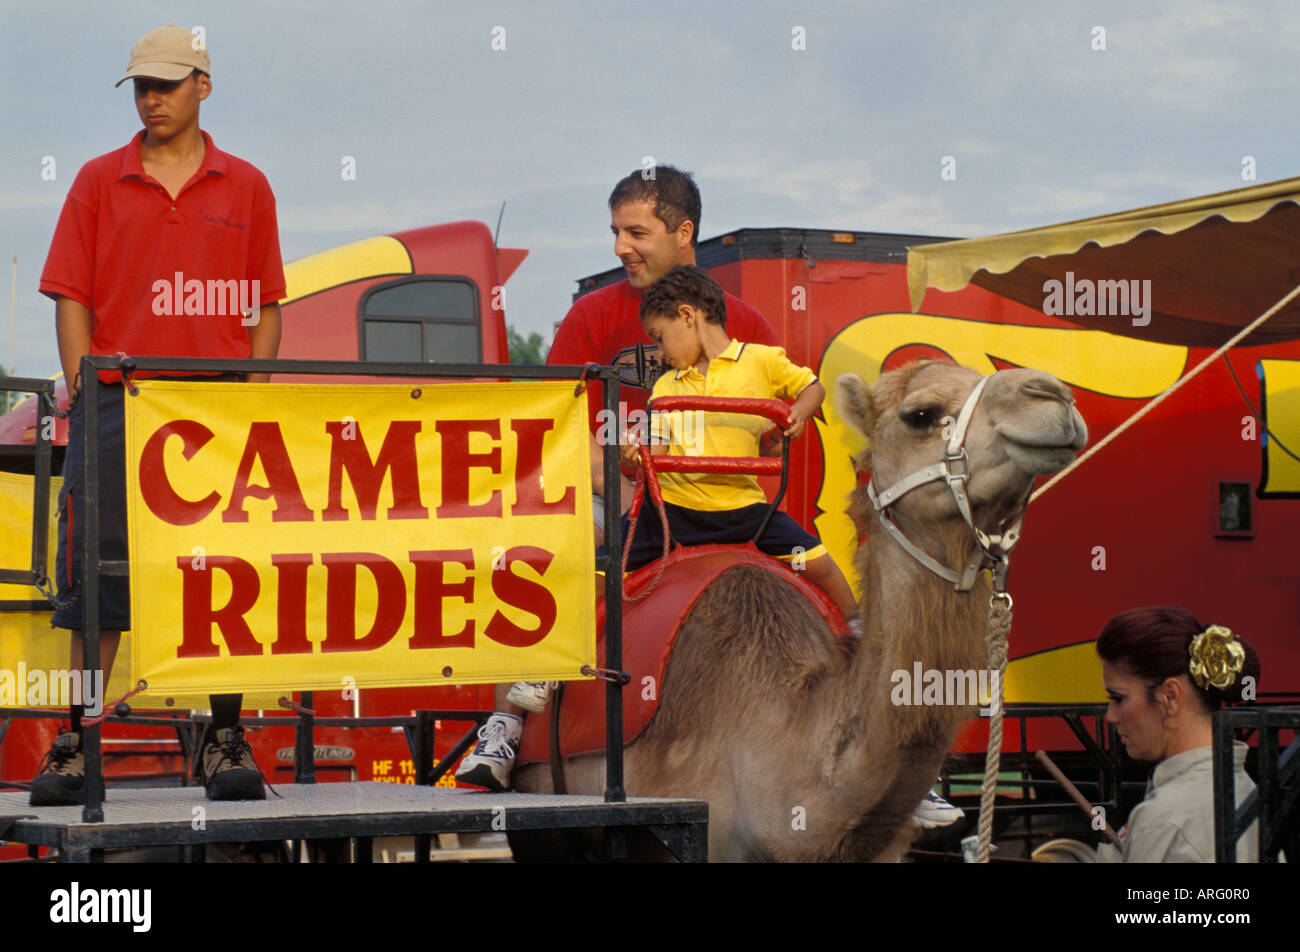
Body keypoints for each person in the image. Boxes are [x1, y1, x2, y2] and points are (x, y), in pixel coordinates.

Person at [456, 164, 779, 791]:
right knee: (553, 545)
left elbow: (761, 437)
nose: (619, 248)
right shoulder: (592, 317)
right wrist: (623, 483)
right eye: (614, 232)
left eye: (636, 232)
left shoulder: (747, 326)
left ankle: (872, 737)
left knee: (807, 576)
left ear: (684, 234)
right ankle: (508, 720)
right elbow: (556, 430)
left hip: (717, 504)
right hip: (617, 497)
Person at [30, 25, 285, 806]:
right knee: (92, 583)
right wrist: (85, 387)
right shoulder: (96, 181)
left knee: (223, 579)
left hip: (213, 412)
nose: (152, 99)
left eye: (167, 84)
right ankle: (80, 740)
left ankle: (224, 737)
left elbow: (267, 306)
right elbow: (71, 294)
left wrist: (247, 393)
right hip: (116, 404)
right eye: (142, 85)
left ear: (203, 87)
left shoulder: (247, 185)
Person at [1093, 605, 1266, 862]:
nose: (1110, 716)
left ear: (1171, 696)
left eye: (1119, 698)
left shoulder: (1166, 821)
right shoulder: (1246, 791)